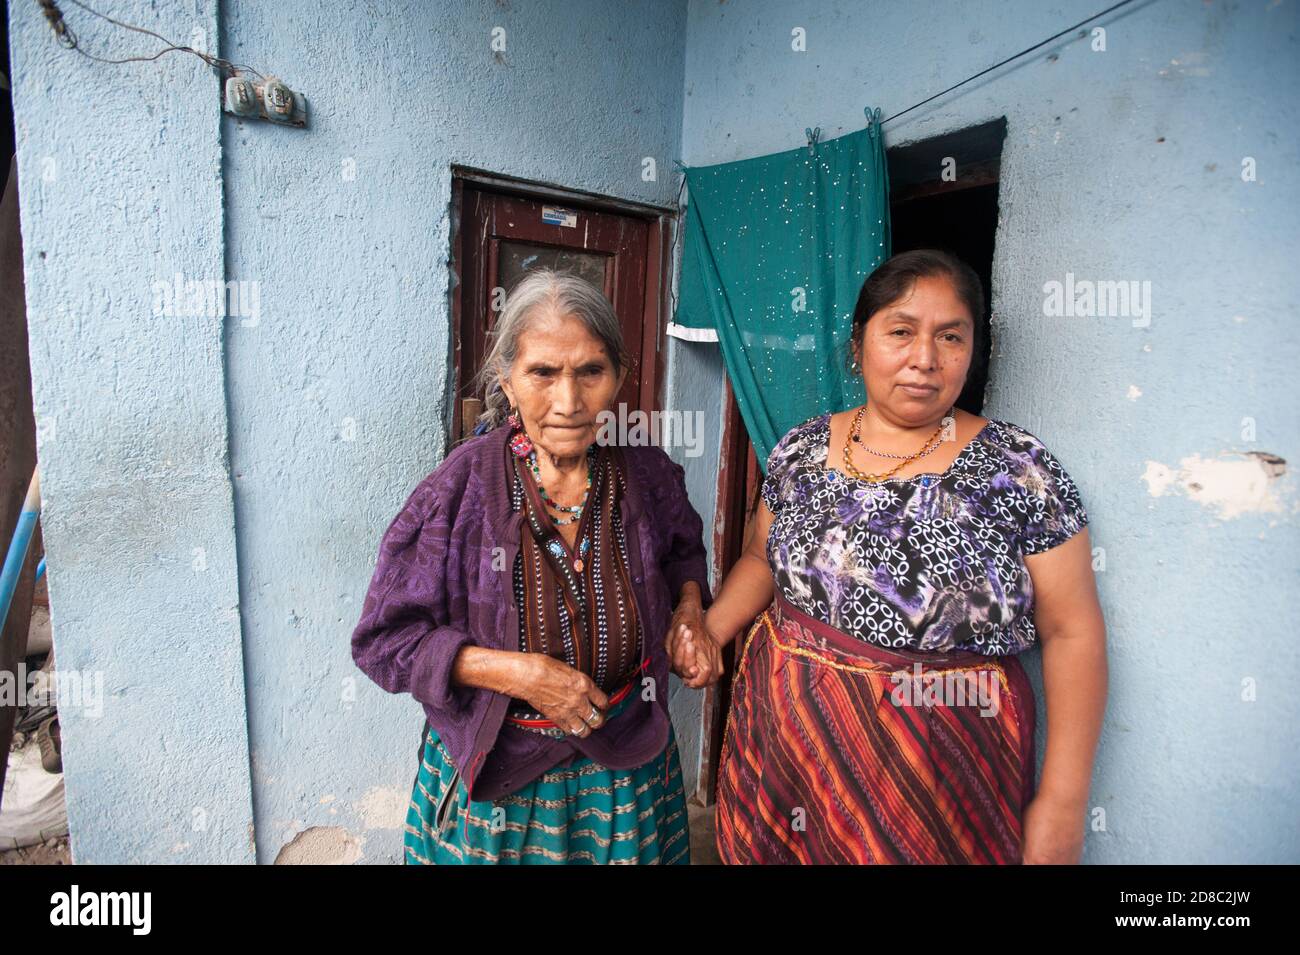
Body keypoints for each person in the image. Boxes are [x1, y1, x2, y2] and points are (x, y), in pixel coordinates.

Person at [676, 249, 1108, 864]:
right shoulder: (801, 449)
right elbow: (761, 560)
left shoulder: (1018, 470)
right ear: (860, 344)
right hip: (789, 738)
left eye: (950, 337)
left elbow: (1073, 631)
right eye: (901, 332)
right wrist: (710, 634)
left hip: (937, 766)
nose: (924, 359)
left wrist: (1063, 803)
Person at [352, 269, 712, 864]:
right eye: (543, 372)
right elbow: (384, 643)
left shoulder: (645, 473)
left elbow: (683, 552)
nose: (568, 402)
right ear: (507, 380)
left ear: (619, 375)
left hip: (628, 775)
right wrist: (517, 675)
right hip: (500, 791)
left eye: (590, 372)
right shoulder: (460, 489)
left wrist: (691, 611)